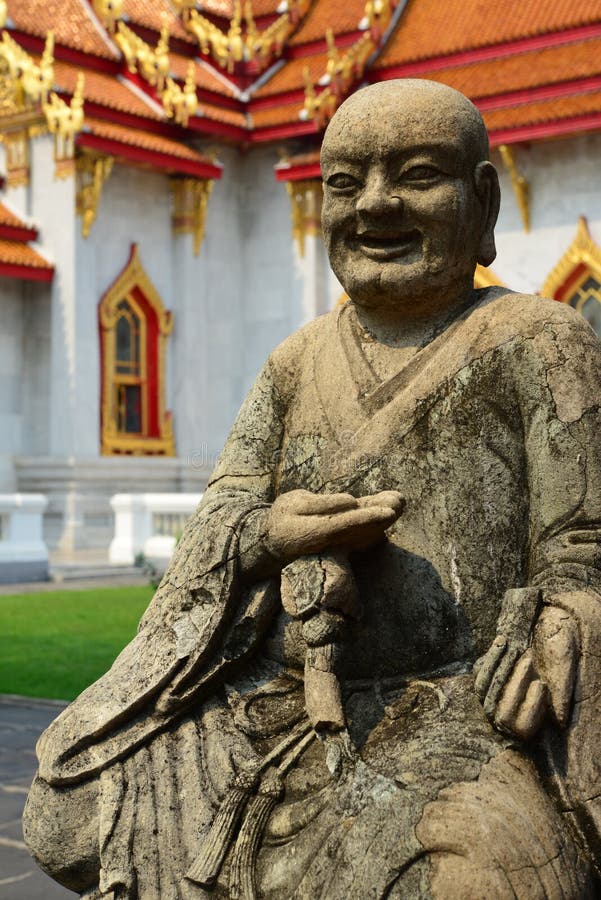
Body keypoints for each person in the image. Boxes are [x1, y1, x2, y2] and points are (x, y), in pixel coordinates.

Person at [24, 79, 601, 899]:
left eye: (416, 175)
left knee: (483, 880)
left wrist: (554, 630)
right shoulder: (294, 363)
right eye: (343, 183)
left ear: (482, 202)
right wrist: (269, 536)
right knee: (68, 807)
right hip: (280, 699)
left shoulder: (537, 340)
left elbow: (583, 547)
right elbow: (220, 518)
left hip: (452, 711)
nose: (374, 205)